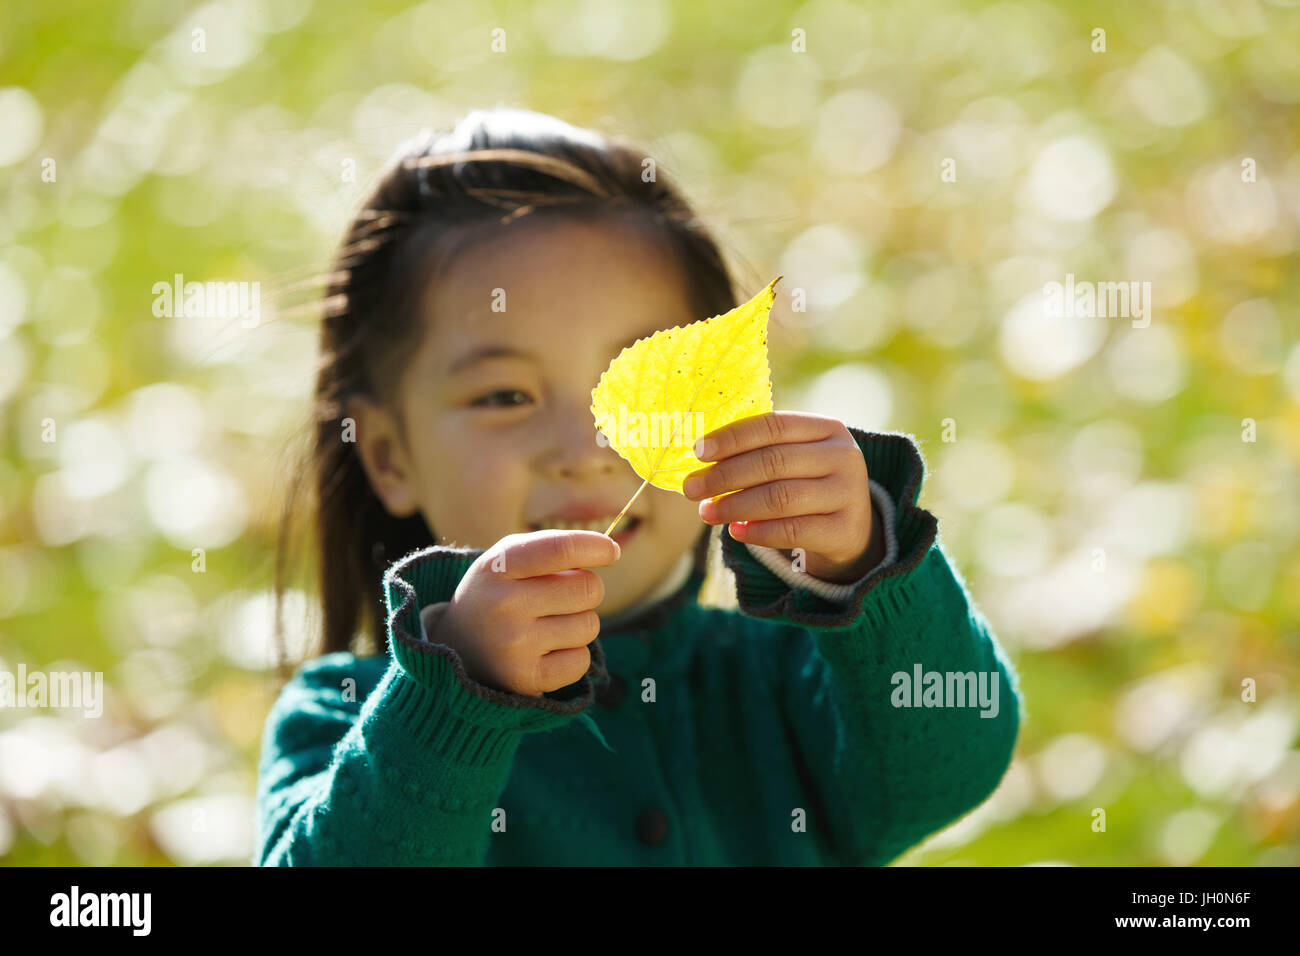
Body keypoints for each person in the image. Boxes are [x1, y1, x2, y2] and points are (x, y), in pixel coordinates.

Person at [254, 106, 1022, 865]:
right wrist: (455, 699)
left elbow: (949, 767)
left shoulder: (780, 678)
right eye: (505, 397)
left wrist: (866, 567)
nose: (587, 452)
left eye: (640, 394)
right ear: (389, 456)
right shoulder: (349, 718)